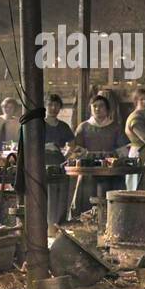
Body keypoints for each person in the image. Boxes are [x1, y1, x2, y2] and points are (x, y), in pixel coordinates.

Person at [70, 93, 129, 218]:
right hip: (88, 172)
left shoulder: (115, 127)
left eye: (101, 106)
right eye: (94, 106)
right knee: (86, 204)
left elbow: (123, 151)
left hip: (111, 173)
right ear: (91, 109)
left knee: (112, 207)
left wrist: (111, 156)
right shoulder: (83, 127)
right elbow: (77, 151)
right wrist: (87, 155)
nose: (97, 109)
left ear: (107, 109)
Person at [43, 93, 75, 226]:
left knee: (60, 194)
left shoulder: (63, 126)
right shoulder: (38, 124)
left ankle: (58, 226)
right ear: (45, 106)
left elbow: (72, 145)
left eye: (56, 105)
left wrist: (65, 157)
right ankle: (46, 226)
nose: (53, 108)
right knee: (46, 195)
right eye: (50, 104)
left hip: (58, 162)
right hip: (42, 162)